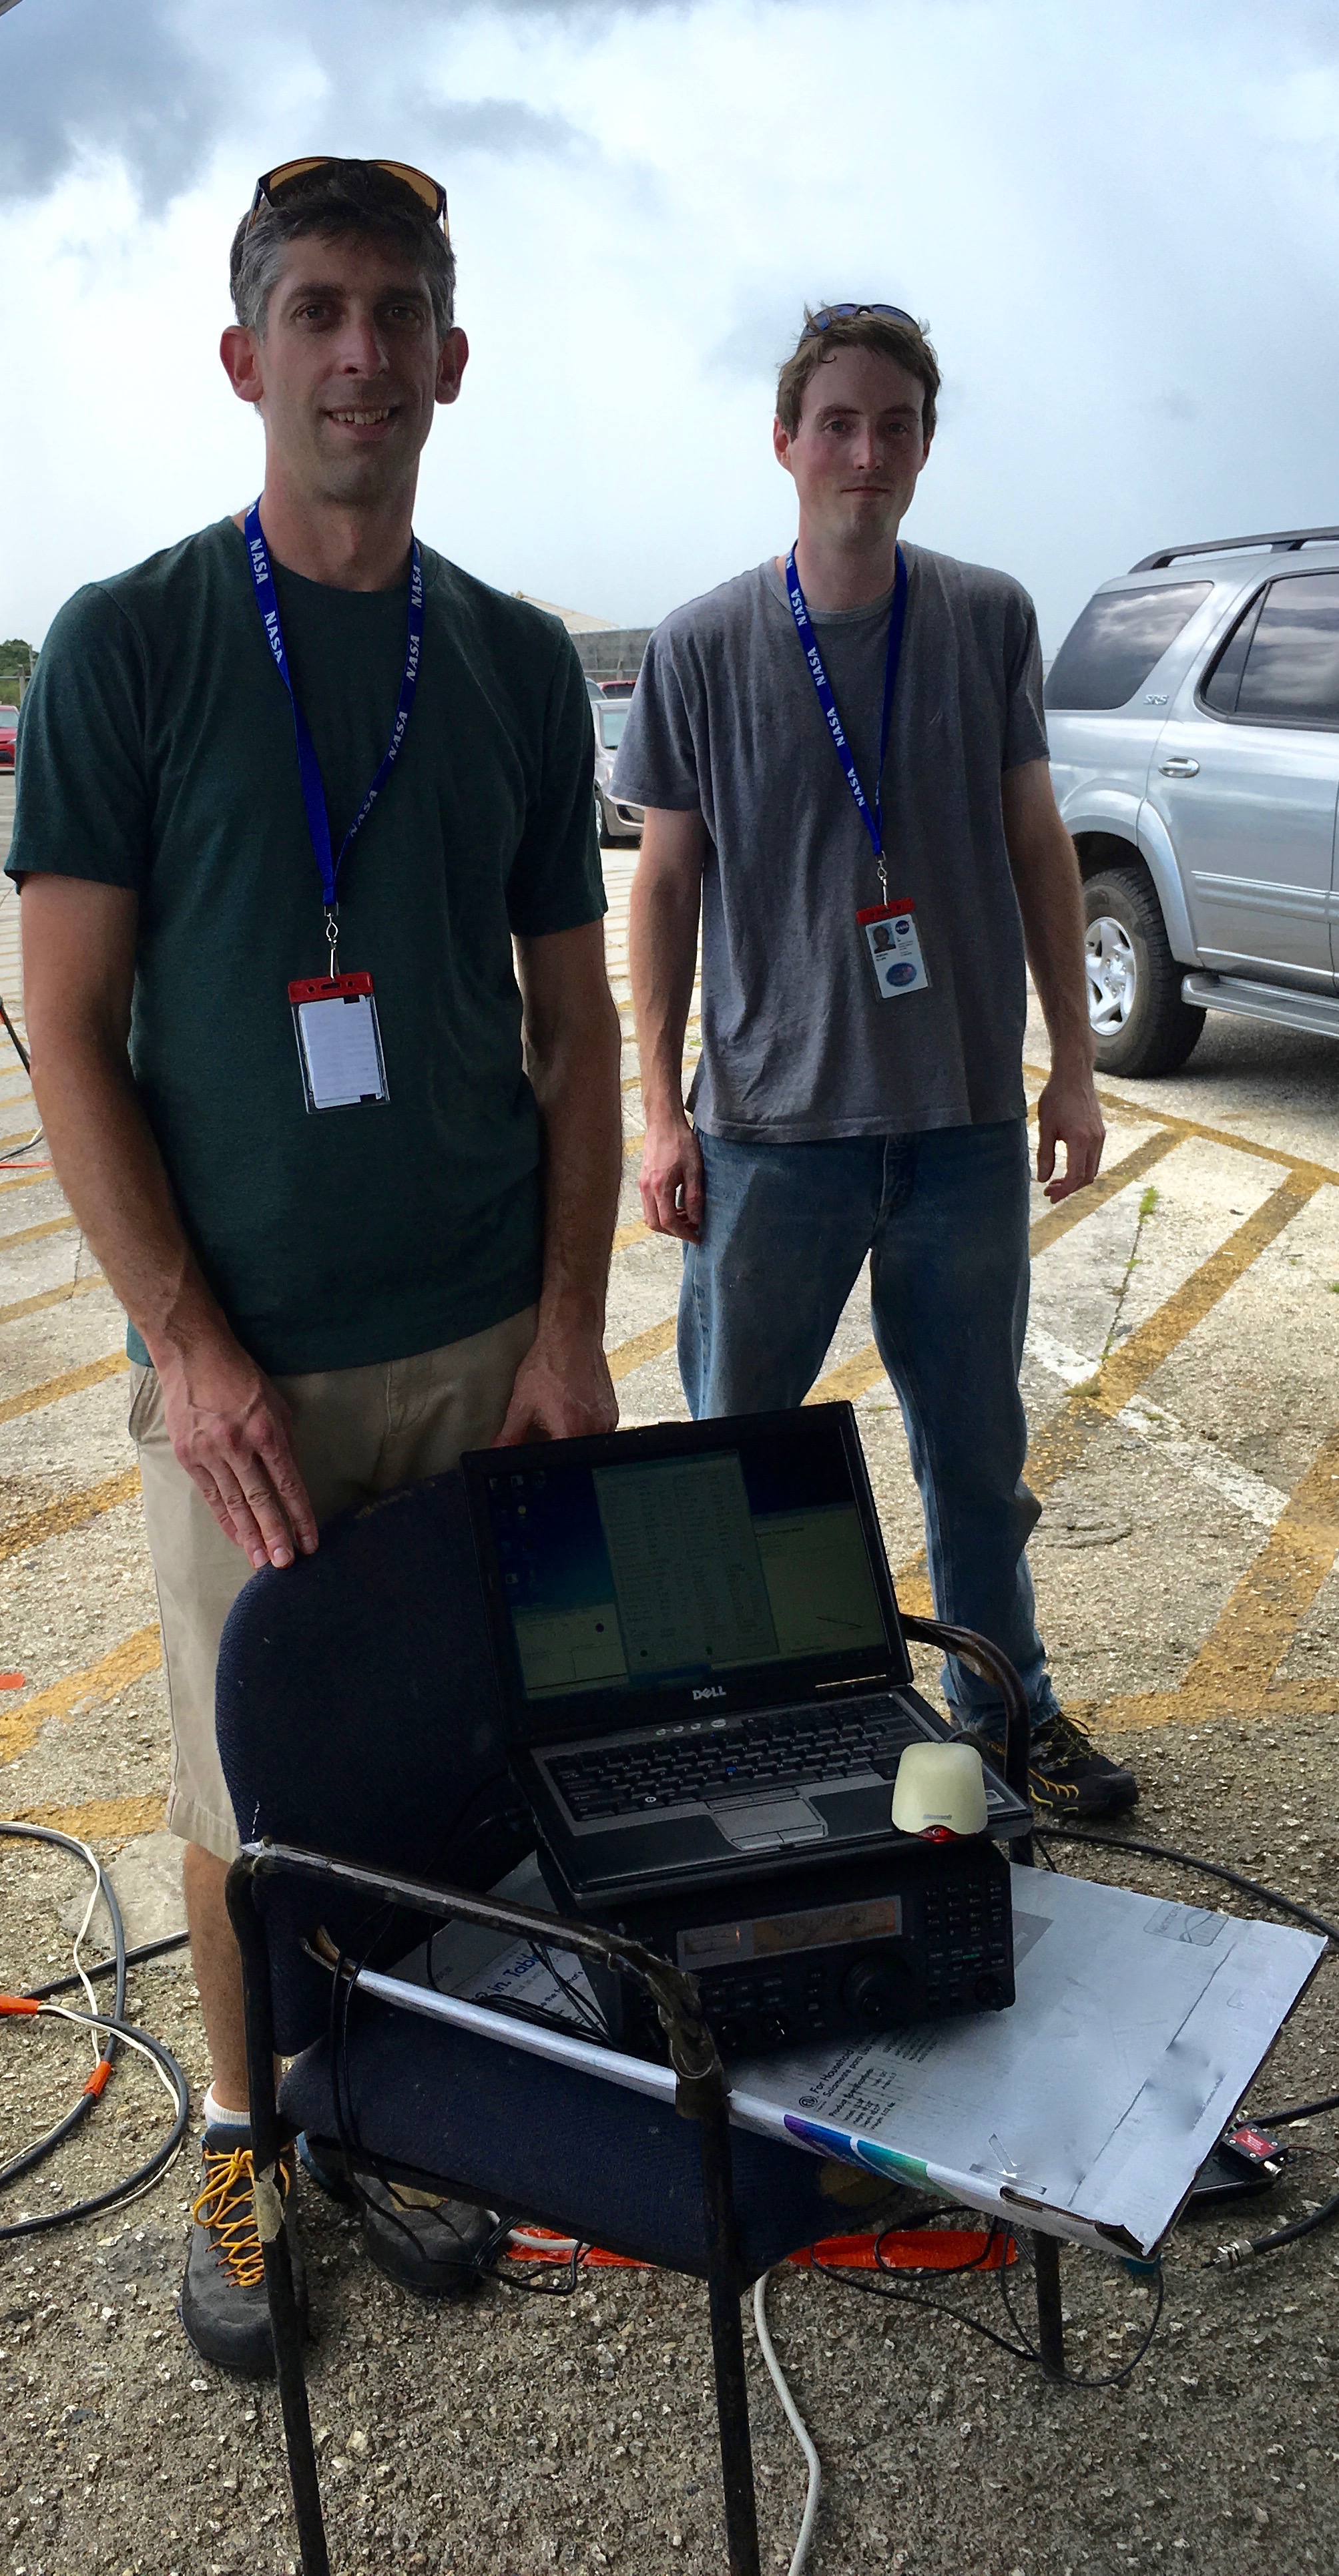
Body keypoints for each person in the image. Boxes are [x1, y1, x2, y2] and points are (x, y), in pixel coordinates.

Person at [7, 158, 621, 2374]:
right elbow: (63, 1025)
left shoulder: (517, 665)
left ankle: (395, 2118)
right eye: (316, 311)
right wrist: (184, 1349)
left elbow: (578, 1027)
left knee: (454, 1776)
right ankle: (249, 2140)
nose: (357, 352)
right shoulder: (132, 642)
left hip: (472, 1342)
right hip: (243, 1371)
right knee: (235, 1797)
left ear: (447, 362)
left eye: (394, 315)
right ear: (244, 354)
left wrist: (566, 1329)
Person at [614, 301, 1135, 1821]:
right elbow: (661, 884)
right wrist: (662, 1113)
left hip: (961, 1127)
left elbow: (1034, 837)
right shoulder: (703, 643)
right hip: (771, 1134)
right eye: (834, 421)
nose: (863, 450)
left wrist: (1072, 1065)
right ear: (782, 440)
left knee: (975, 1460)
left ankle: (1002, 1705)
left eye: (893, 424)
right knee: (733, 1460)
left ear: (921, 445)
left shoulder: (982, 618)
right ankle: (729, 1734)